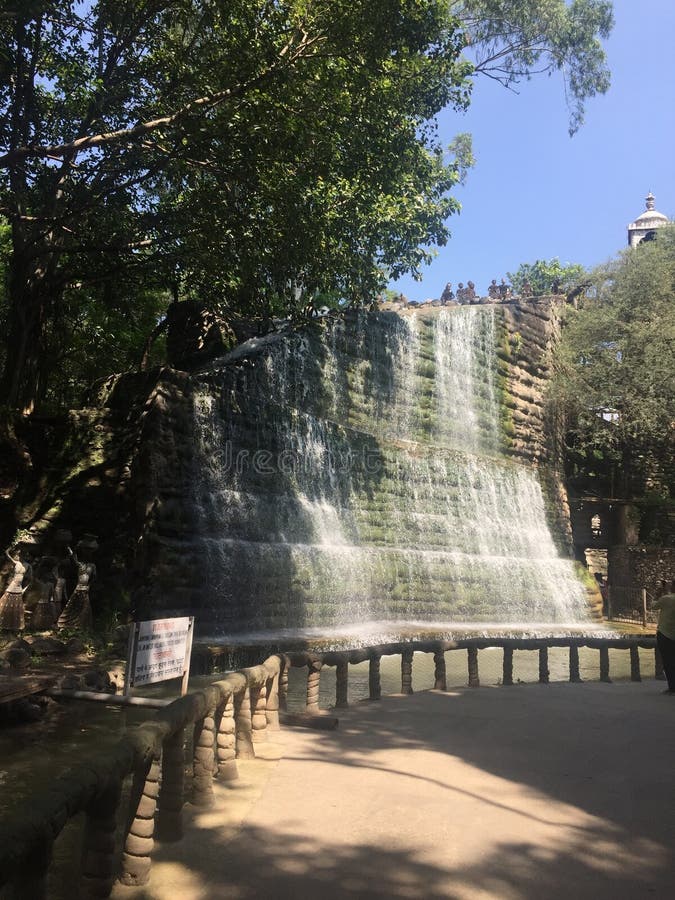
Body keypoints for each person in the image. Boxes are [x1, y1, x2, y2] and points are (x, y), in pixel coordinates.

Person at [651, 582, 675, 694]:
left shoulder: (667, 599)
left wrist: (658, 593)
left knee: (668, 662)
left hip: (665, 634)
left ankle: (672, 687)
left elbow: (653, 606)